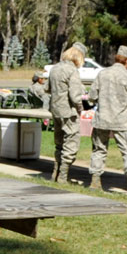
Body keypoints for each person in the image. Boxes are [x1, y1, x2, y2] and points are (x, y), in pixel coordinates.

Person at [87, 46, 127, 195]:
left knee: (99, 150)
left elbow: (92, 96)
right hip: (121, 120)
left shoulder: (102, 74)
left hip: (102, 119)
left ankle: (95, 180)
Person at [48, 47, 86, 184]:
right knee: (71, 143)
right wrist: (81, 108)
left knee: (59, 143)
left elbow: (47, 88)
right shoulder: (72, 70)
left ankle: (55, 173)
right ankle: (63, 177)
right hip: (69, 112)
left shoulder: (55, 68)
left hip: (55, 110)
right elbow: (75, 96)